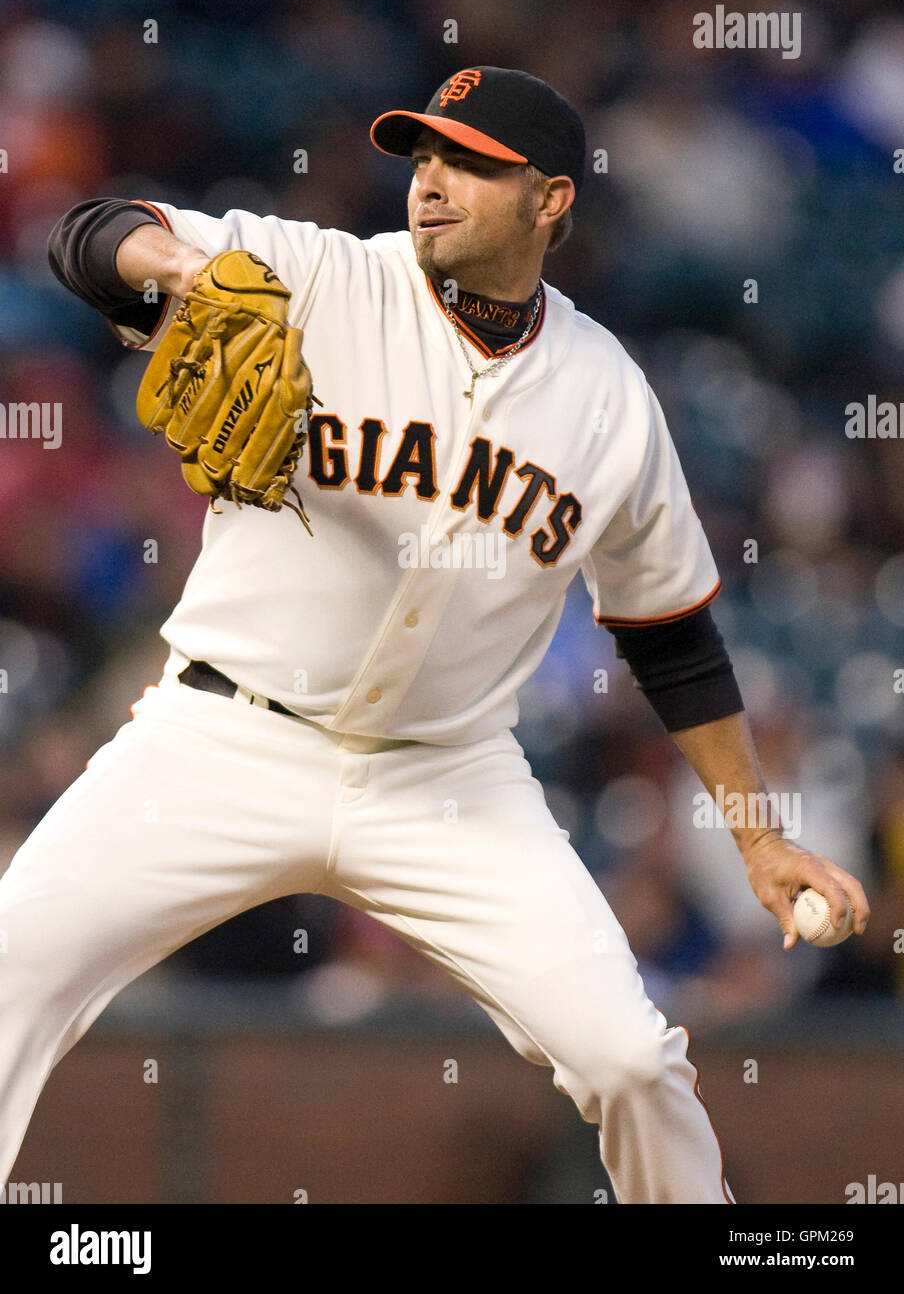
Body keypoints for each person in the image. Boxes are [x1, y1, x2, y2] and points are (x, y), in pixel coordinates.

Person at [0, 66, 868, 1203]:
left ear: (550, 199)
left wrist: (758, 839)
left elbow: (673, 636)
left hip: (448, 779)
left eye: (469, 163)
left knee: (629, 1058)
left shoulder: (608, 396)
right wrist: (174, 265)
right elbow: (89, 233)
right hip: (219, 739)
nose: (432, 184)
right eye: (422, 158)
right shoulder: (318, 273)